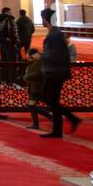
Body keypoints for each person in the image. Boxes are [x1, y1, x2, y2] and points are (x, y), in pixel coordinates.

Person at [38, 8, 80, 138]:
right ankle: (68, 122)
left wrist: (40, 56)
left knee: (50, 99)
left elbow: (54, 56)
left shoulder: (54, 35)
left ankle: (62, 126)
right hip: (55, 71)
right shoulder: (55, 33)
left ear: (45, 19)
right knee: (48, 98)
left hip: (55, 72)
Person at [23, 48, 46, 129]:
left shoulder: (41, 62)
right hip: (33, 87)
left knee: (31, 106)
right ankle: (36, 124)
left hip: (37, 87)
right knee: (31, 105)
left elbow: (39, 73)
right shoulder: (36, 62)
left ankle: (48, 117)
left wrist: (27, 77)